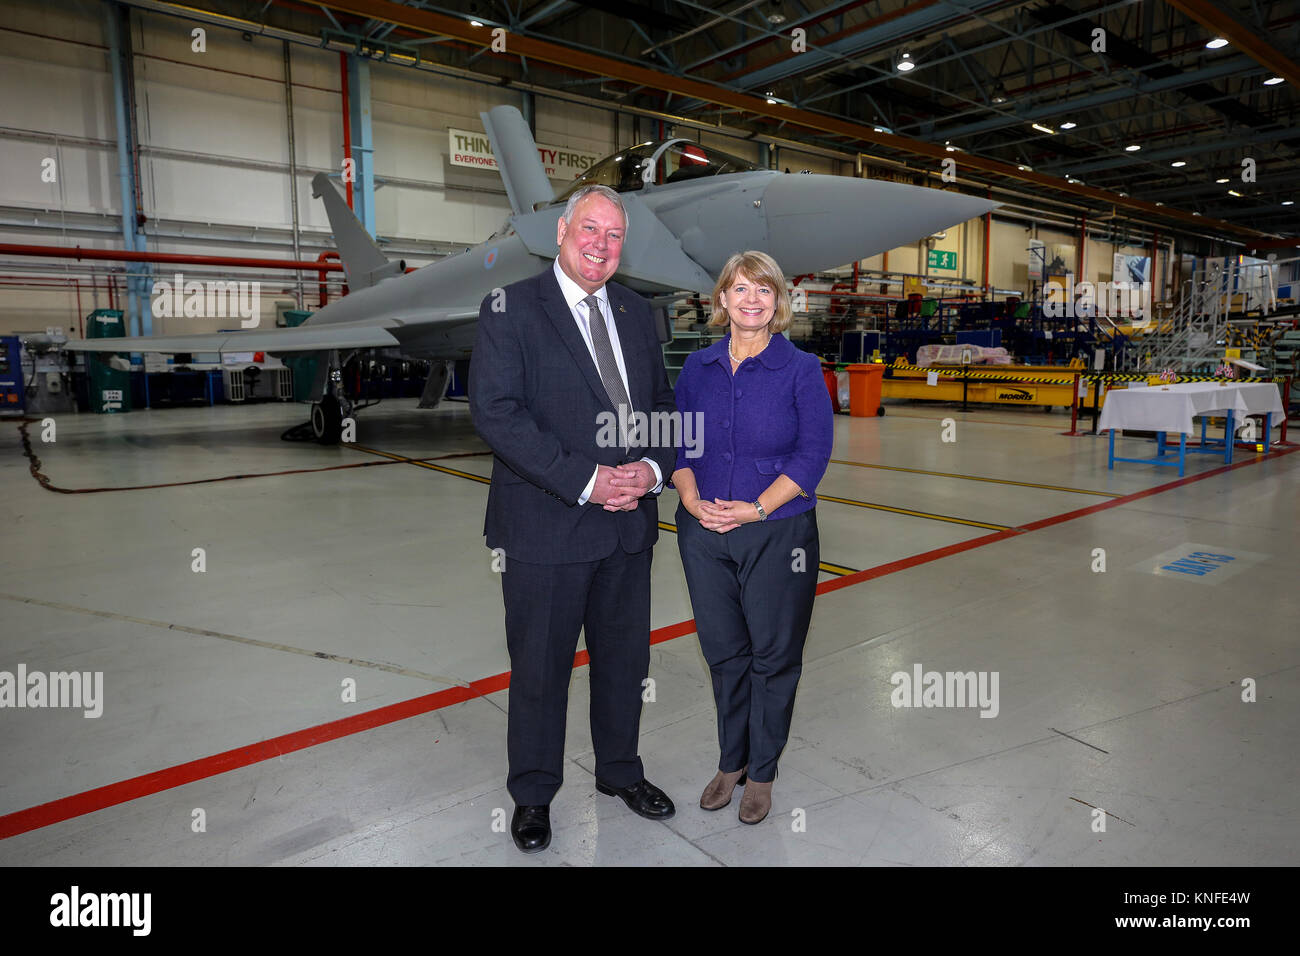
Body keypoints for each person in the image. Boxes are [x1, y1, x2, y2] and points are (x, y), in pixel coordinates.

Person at [469, 184, 679, 854]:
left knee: (624, 663)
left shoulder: (637, 311)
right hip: (547, 525)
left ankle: (620, 771)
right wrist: (587, 481)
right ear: (562, 230)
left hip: (626, 528)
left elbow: (662, 407)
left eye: (614, 236)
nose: (601, 245)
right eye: (590, 229)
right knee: (540, 670)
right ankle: (533, 794)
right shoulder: (512, 307)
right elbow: (497, 413)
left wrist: (651, 470)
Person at [671, 250, 833, 825]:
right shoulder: (698, 369)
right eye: (740, 289)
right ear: (722, 300)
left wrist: (758, 509)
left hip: (777, 532)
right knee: (724, 654)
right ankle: (730, 760)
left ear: (778, 302)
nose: (751, 300)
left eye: (763, 290)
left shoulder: (801, 369)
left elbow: (812, 453)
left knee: (773, 655)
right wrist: (691, 502)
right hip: (704, 532)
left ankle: (762, 771)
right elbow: (680, 445)